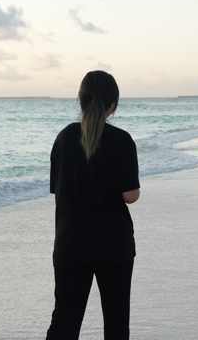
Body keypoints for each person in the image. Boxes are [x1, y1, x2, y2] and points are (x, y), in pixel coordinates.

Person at [46, 70, 140, 340]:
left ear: (81, 100)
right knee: (116, 323)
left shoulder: (64, 138)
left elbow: (58, 189)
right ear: (113, 105)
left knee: (64, 322)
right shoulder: (122, 140)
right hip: (113, 245)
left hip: (70, 244)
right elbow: (130, 195)